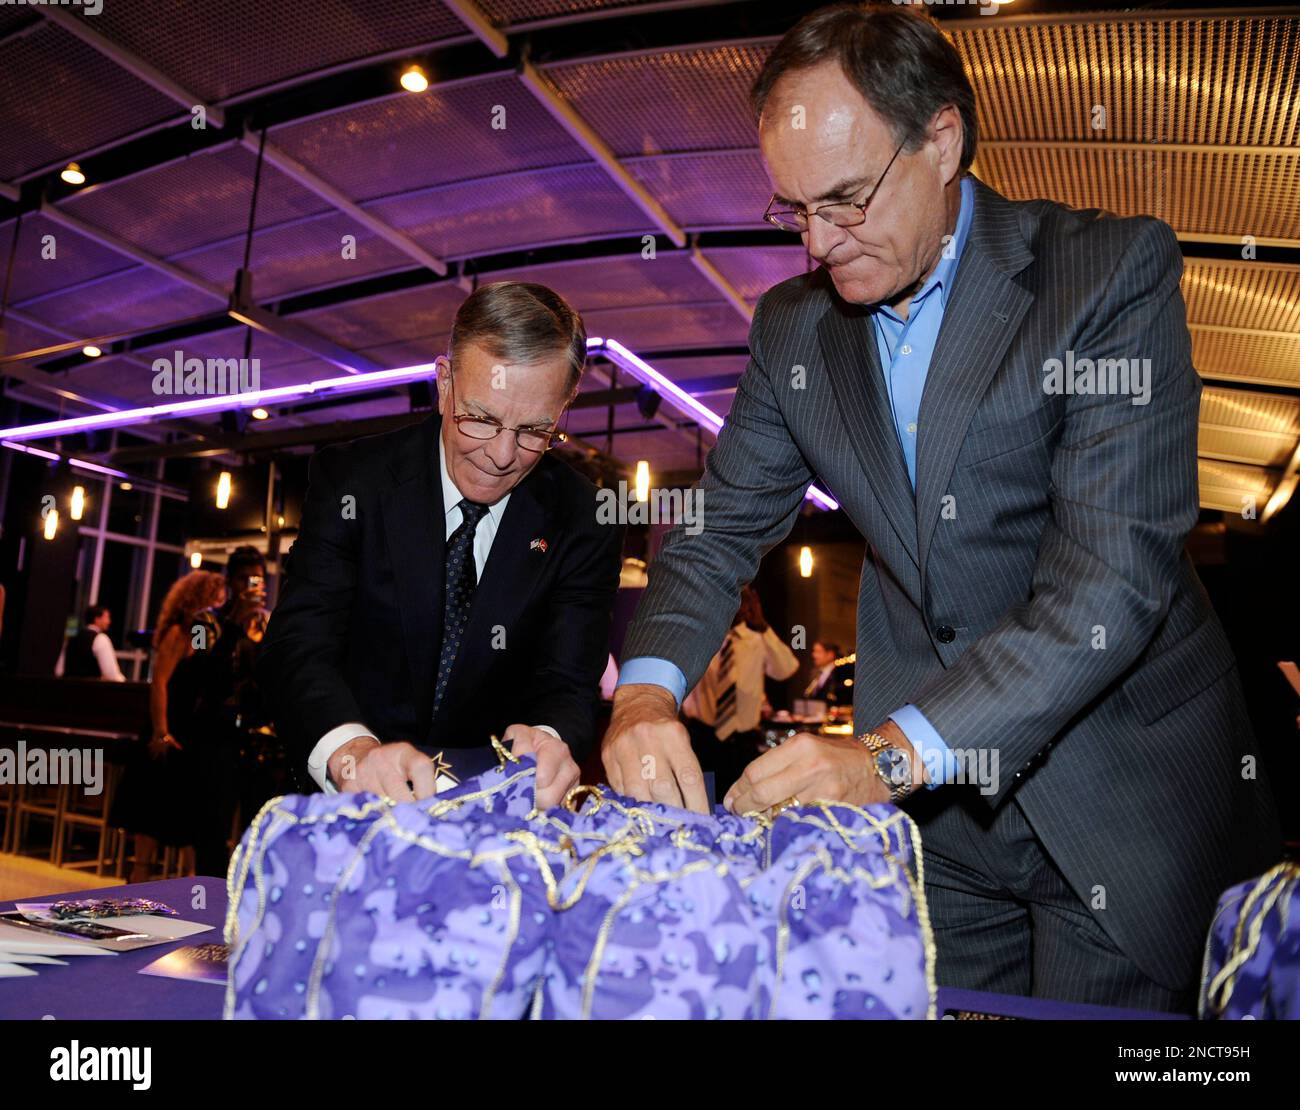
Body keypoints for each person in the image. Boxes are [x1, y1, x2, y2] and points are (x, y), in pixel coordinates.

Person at [602, 3, 1280, 1013]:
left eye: (844, 199)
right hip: (936, 827)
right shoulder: (791, 329)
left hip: (1115, 791)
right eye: (792, 210)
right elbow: (719, 530)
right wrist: (645, 693)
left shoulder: (1103, 275)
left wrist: (881, 755)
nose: (819, 245)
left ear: (943, 139)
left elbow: (1109, 584)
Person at [259, 281, 624, 809]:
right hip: (337, 815)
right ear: (444, 380)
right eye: (481, 418)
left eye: (535, 431)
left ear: (566, 406)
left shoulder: (584, 517)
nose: (501, 455)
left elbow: (567, 680)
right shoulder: (354, 481)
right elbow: (298, 647)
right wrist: (353, 753)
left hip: (492, 827)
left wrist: (548, 738)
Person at [111, 570, 228, 883]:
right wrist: (160, 731)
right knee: (150, 819)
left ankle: (189, 898)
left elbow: (202, 671)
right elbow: (159, 683)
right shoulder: (177, 632)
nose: (220, 602)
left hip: (190, 732)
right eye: (215, 595)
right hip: (167, 729)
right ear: (200, 597)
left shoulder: (200, 633)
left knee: (187, 824)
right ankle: (136, 893)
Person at [682, 586, 798, 797]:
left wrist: (763, 627)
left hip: (743, 741)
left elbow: (786, 669)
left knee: (740, 803)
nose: (737, 608)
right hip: (702, 736)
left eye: (743, 603)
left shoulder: (757, 639)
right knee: (698, 799)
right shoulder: (701, 635)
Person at [56, 604, 125, 681]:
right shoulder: (100, 639)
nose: (109, 621)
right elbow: (111, 674)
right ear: (97, 619)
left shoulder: (72, 639)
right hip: (91, 690)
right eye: (106, 617)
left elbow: (59, 670)